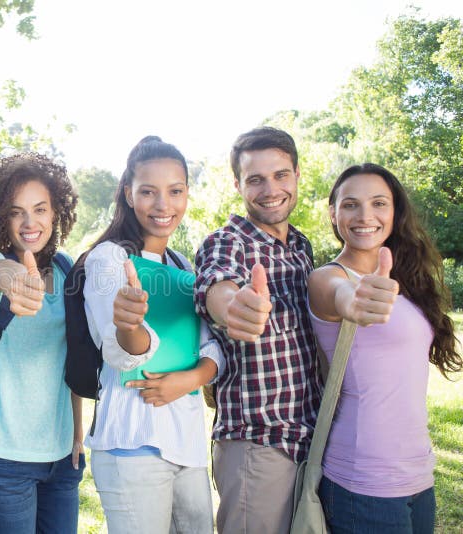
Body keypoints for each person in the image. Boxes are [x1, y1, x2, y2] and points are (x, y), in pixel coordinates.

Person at [307, 163, 462, 533]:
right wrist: (355, 300)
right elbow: (342, 296)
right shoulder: (328, 277)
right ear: (333, 213)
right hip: (363, 480)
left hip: (419, 473)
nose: (365, 216)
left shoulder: (404, 281)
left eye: (379, 203)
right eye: (350, 205)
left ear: (395, 212)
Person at [83, 136, 224, 533]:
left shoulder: (184, 266)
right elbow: (120, 353)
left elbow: (212, 347)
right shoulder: (109, 259)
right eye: (148, 192)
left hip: (189, 443)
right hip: (133, 441)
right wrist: (129, 325)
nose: (163, 205)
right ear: (128, 194)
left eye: (175, 191)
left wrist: (190, 379)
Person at [193, 126, 323, 533]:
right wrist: (236, 308)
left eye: (281, 175)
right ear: (238, 185)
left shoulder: (301, 247)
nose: (271, 189)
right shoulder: (227, 242)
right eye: (255, 179)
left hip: (309, 440)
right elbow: (217, 287)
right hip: (257, 444)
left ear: (297, 175)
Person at [0, 152, 83, 534]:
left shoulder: (66, 270)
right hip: (3, 459)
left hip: (63, 458)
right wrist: (14, 279)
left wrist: (78, 435)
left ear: (55, 212)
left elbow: (72, 360)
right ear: (0, 217)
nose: (30, 222)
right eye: (16, 212)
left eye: (40, 209)